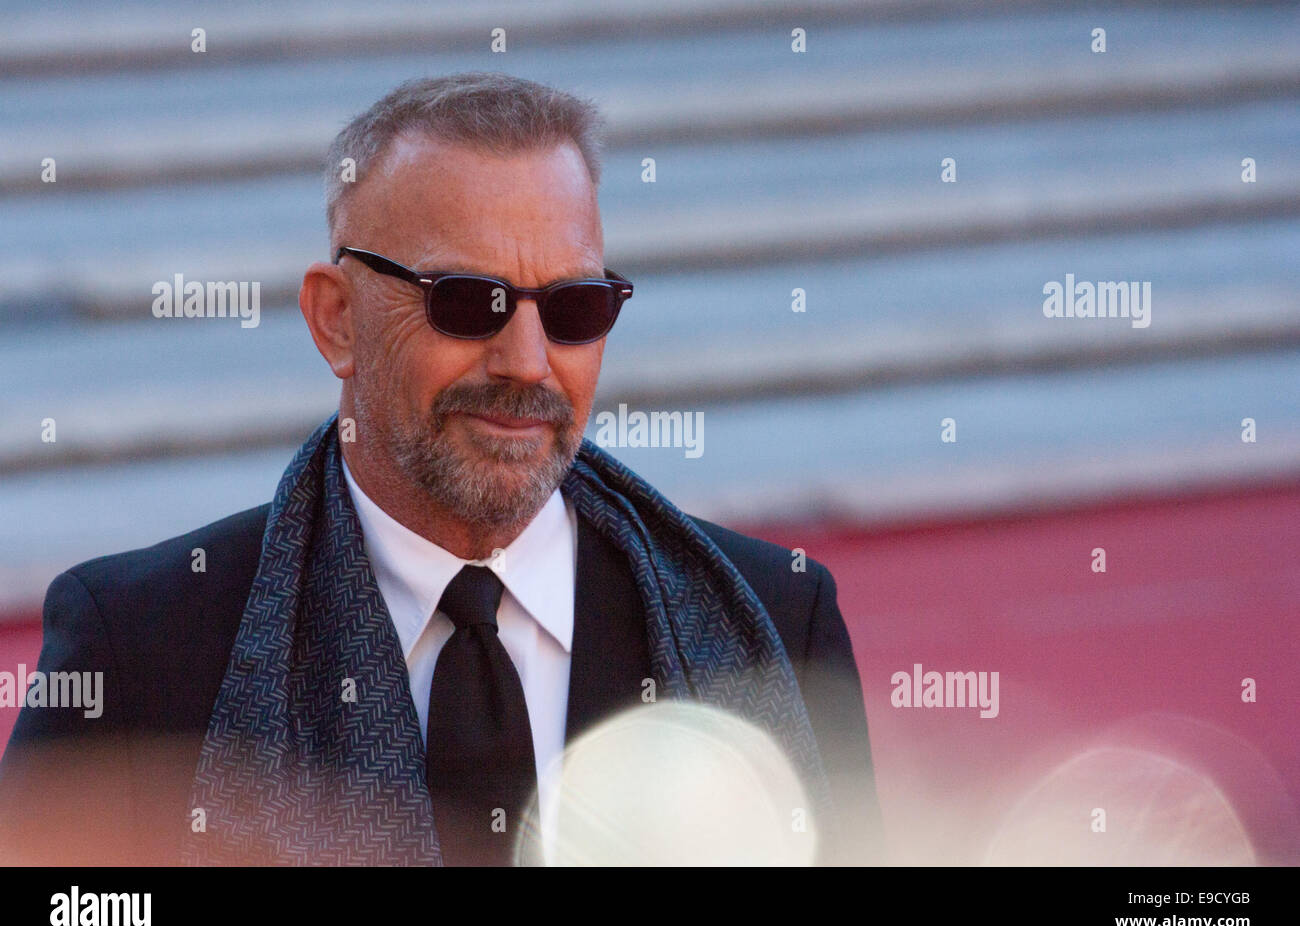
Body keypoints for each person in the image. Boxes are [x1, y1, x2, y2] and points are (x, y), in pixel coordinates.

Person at [0, 73, 880, 866]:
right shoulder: (142, 647)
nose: (528, 362)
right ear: (337, 319)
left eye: (573, 308)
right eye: (469, 302)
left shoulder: (776, 622)